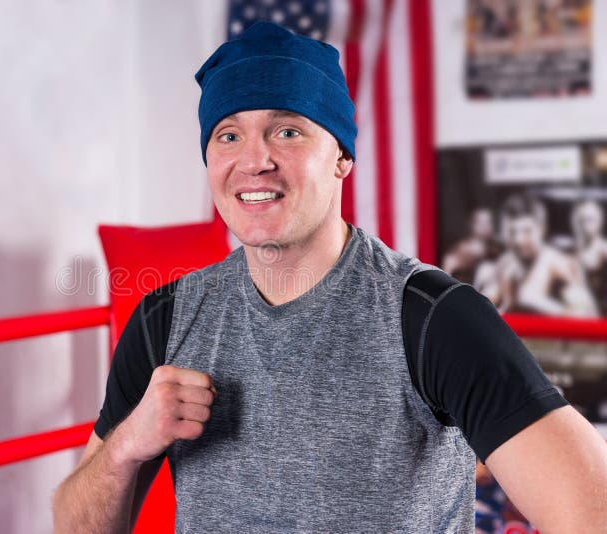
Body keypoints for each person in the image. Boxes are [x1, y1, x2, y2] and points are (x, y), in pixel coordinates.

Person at [52, 22, 607, 533]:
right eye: (228, 135)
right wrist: (127, 445)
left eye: (287, 132)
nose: (254, 160)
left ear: (341, 155)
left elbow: (591, 507)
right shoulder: (165, 319)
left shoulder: (430, 317)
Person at [489, 193, 597, 317]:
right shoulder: (506, 263)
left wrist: (541, 303)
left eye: (527, 231)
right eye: (512, 232)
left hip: (555, 334)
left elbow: (588, 316)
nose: (518, 240)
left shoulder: (559, 264)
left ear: (541, 229)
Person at [571, 199, 607, 315]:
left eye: (590, 219)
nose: (586, 224)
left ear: (600, 221)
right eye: (583, 220)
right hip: (583, 308)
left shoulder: (604, 250)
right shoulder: (576, 250)